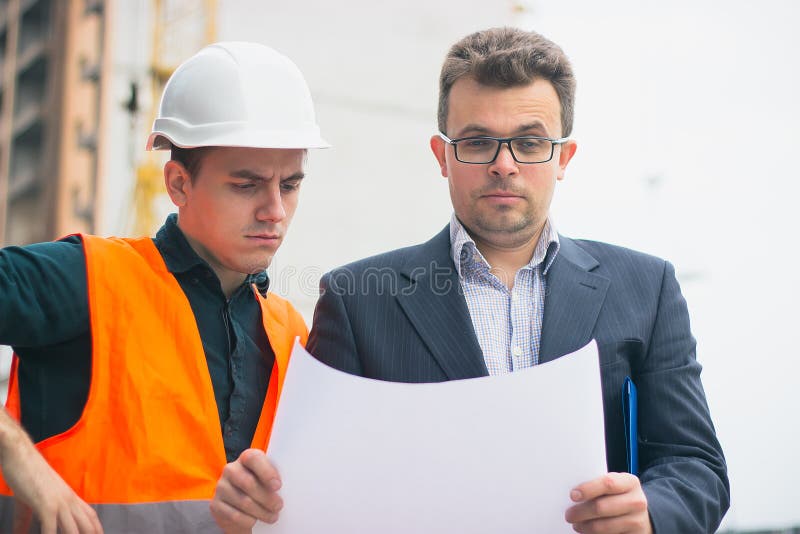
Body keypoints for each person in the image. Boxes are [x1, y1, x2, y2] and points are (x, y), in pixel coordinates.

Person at [214, 27, 730, 534]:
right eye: (478, 142)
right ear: (442, 156)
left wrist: (652, 513)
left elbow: (696, 465)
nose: (504, 166)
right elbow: (319, 487)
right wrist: (256, 496)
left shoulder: (647, 288)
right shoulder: (356, 301)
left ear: (563, 158)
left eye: (529, 142)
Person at [0, 41, 327, 533]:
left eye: (290, 185)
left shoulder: (290, 336)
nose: (274, 210)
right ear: (178, 184)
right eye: (246, 185)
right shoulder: (87, 278)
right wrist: (17, 457)